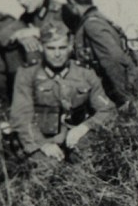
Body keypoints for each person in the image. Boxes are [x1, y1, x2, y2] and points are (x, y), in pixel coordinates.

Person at [8, 22, 115, 163]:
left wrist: (84, 128)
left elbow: (107, 110)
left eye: (62, 48)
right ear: (41, 47)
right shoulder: (27, 74)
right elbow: (22, 117)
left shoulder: (85, 73)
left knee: (90, 162)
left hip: (75, 137)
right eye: (51, 48)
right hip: (42, 138)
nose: (57, 54)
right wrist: (43, 145)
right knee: (47, 169)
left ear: (70, 47)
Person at [64, 0, 135, 110]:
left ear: (72, 1)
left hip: (108, 96)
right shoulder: (97, 19)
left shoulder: (91, 25)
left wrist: (124, 98)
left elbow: (114, 59)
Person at [7, 0, 69, 67]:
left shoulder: (60, 10)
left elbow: (64, 33)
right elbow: (5, 35)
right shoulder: (26, 17)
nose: (21, 2)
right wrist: (21, 37)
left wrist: (37, 32)